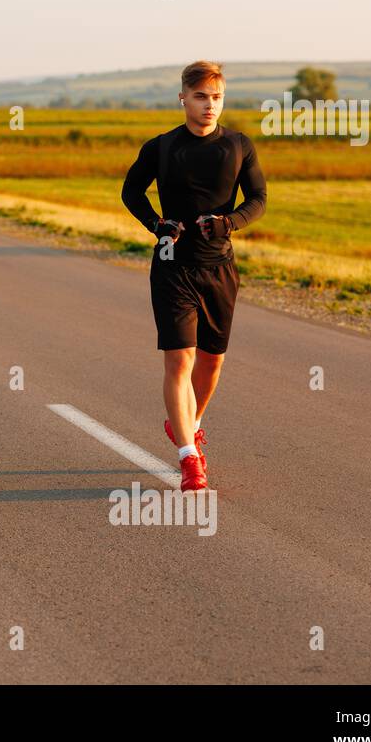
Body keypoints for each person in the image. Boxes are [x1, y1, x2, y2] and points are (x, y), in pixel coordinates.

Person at [120, 61, 266, 491]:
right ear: (183, 97)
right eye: (201, 97)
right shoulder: (162, 147)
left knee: (211, 360)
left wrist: (229, 222)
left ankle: (189, 423)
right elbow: (131, 191)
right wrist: (156, 223)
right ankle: (189, 458)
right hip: (172, 266)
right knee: (180, 358)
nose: (209, 106)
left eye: (216, 97)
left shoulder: (239, 146)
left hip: (219, 266)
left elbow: (258, 198)